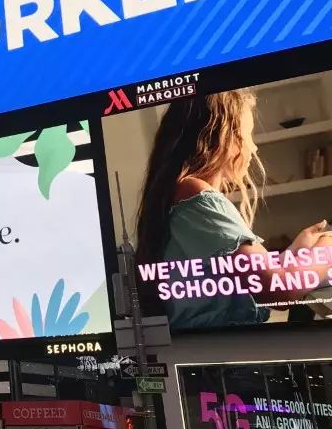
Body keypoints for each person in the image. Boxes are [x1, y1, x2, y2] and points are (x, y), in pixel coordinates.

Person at [136, 91, 332, 330]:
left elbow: (233, 272)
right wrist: (327, 248)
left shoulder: (180, 196)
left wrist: (294, 253)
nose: (254, 147)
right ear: (224, 138)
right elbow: (280, 290)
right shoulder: (197, 197)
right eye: (248, 135)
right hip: (218, 359)